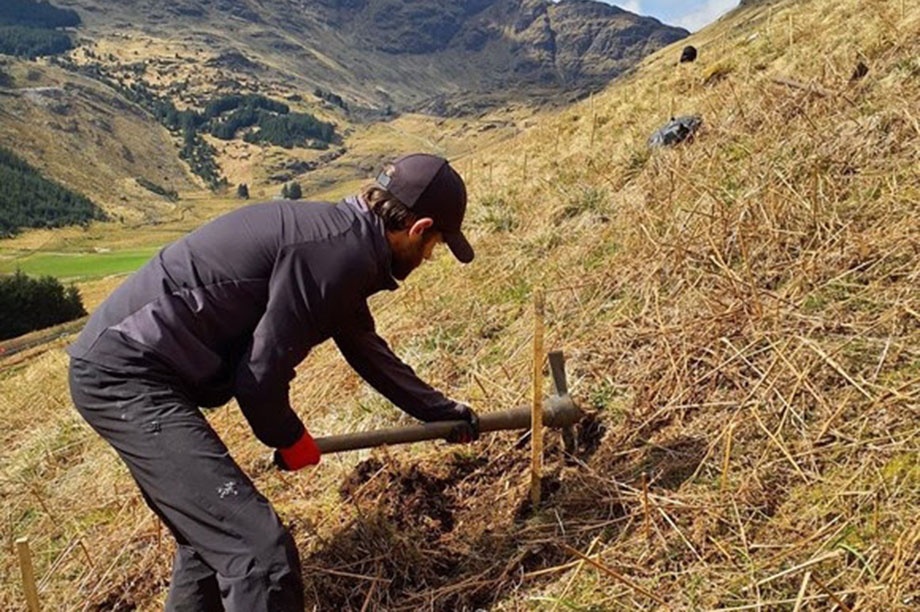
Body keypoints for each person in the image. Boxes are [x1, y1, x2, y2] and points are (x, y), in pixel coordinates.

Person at [67, 153, 479, 611]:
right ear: (418, 228)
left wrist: (442, 412)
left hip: (128, 365)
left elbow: (365, 347)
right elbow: (258, 378)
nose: (429, 256)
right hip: (125, 375)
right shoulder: (336, 256)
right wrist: (290, 438)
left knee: (211, 542)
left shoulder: (340, 241)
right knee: (261, 554)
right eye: (435, 245)